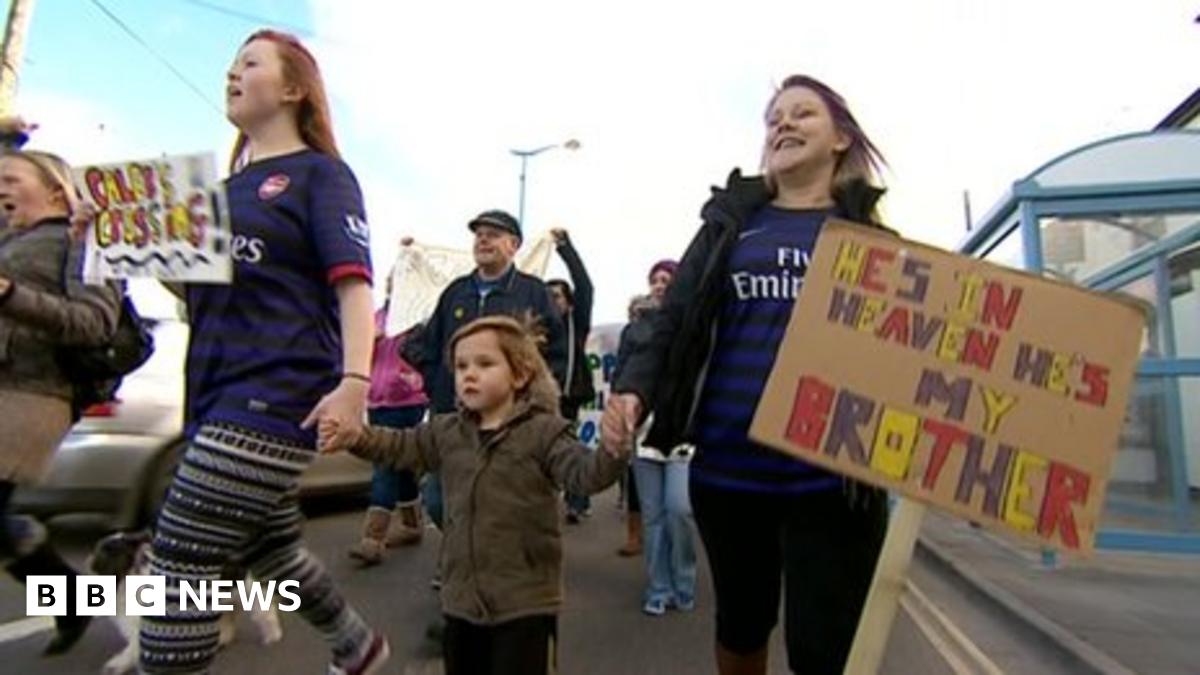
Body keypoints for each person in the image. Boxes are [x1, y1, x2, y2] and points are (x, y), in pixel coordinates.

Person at [603, 74, 892, 675]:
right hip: (732, 472)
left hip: (834, 483)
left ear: (840, 136)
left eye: (802, 114)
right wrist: (632, 390)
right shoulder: (728, 228)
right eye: (773, 117)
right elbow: (673, 318)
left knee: (825, 650)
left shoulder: (874, 238)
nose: (782, 124)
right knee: (740, 626)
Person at [135, 30, 388, 674]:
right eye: (229, 64)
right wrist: (119, 244)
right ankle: (358, 647)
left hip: (277, 394)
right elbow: (196, 289)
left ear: (294, 88)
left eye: (248, 63)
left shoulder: (320, 176)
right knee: (273, 548)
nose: (231, 74)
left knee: (180, 563)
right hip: (213, 390)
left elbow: (354, 283)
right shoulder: (218, 193)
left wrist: (355, 381)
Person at [320, 315, 631, 675]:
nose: (469, 373)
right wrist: (355, 437)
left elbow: (584, 476)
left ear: (520, 374)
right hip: (460, 601)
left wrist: (612, 450)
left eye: (485, 364)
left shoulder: (545, 432)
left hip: (525, 603)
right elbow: (399, 446)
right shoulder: (446, 430)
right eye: (461, 365)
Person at [0, 148, 121, 655]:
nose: (0, 189)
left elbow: (95, 323)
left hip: (32, 396)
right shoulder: (8, 240)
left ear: (55, 190)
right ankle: (73, 599)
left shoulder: (82, 241)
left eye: (9, 179)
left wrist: (10, 295)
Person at [414, 209, 567, 529]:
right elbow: (429, 346)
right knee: (438, 499)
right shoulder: (456, 292)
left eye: (493, 234)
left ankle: (477, 567)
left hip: (508, 419)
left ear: (513, 245)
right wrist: (439, 387)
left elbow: (555, 353)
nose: (483, 239)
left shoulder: (533, 292)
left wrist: (532, 403)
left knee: (501, 500)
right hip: (452, 416)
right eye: (479, 234)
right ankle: (461, 553)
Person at [346, 288, 428, 566]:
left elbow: (424, 352)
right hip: (377, 400)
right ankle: (412, 524)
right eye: (393, 279)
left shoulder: (418, 318)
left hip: (407, 400)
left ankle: (373, 538)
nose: (397, 284)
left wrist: (409, 375)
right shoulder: (376, 317)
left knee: (385, 463)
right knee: (401, 463)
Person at [615, 261, 675, 556]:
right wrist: (619, 400)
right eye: (655, 279)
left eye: (667, 279)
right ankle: (637, 540)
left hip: (678, 419)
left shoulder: (689, 321)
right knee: (642, 493)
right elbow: (623, 367)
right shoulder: (635, 329)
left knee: (678, 507)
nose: (660, 285)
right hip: (641, 418)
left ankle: (679, 567)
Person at [545, 227, 596, 523]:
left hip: (567, 398)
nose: (552, 302)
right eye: (547, 297)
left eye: (557, 296)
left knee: (569, 449)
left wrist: (565, 247)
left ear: (568, 301)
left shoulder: (576, 323)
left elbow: (585, 286)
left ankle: (577, 501)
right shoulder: (536, 328)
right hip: (538, 398)